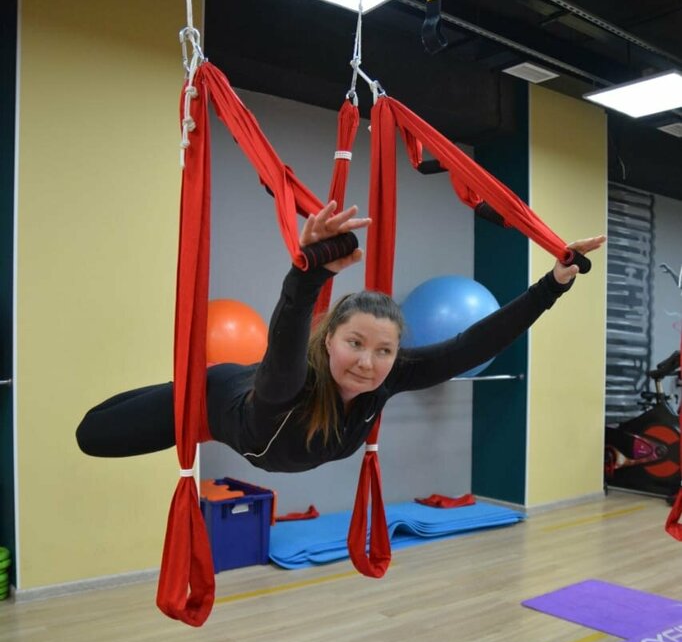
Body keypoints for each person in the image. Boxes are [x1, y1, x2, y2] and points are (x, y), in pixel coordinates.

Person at [76, 201, 606, 471]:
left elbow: (471, 345)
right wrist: (308, 273)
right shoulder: (293, 382)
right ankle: (171, 390)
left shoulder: (386, 379)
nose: (368, 364)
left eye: (383, 351)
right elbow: (285, 336)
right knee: (93, 436)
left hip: (249, 400)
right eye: (355, 343)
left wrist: (554, 284)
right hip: (215, 401)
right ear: (330, 339)